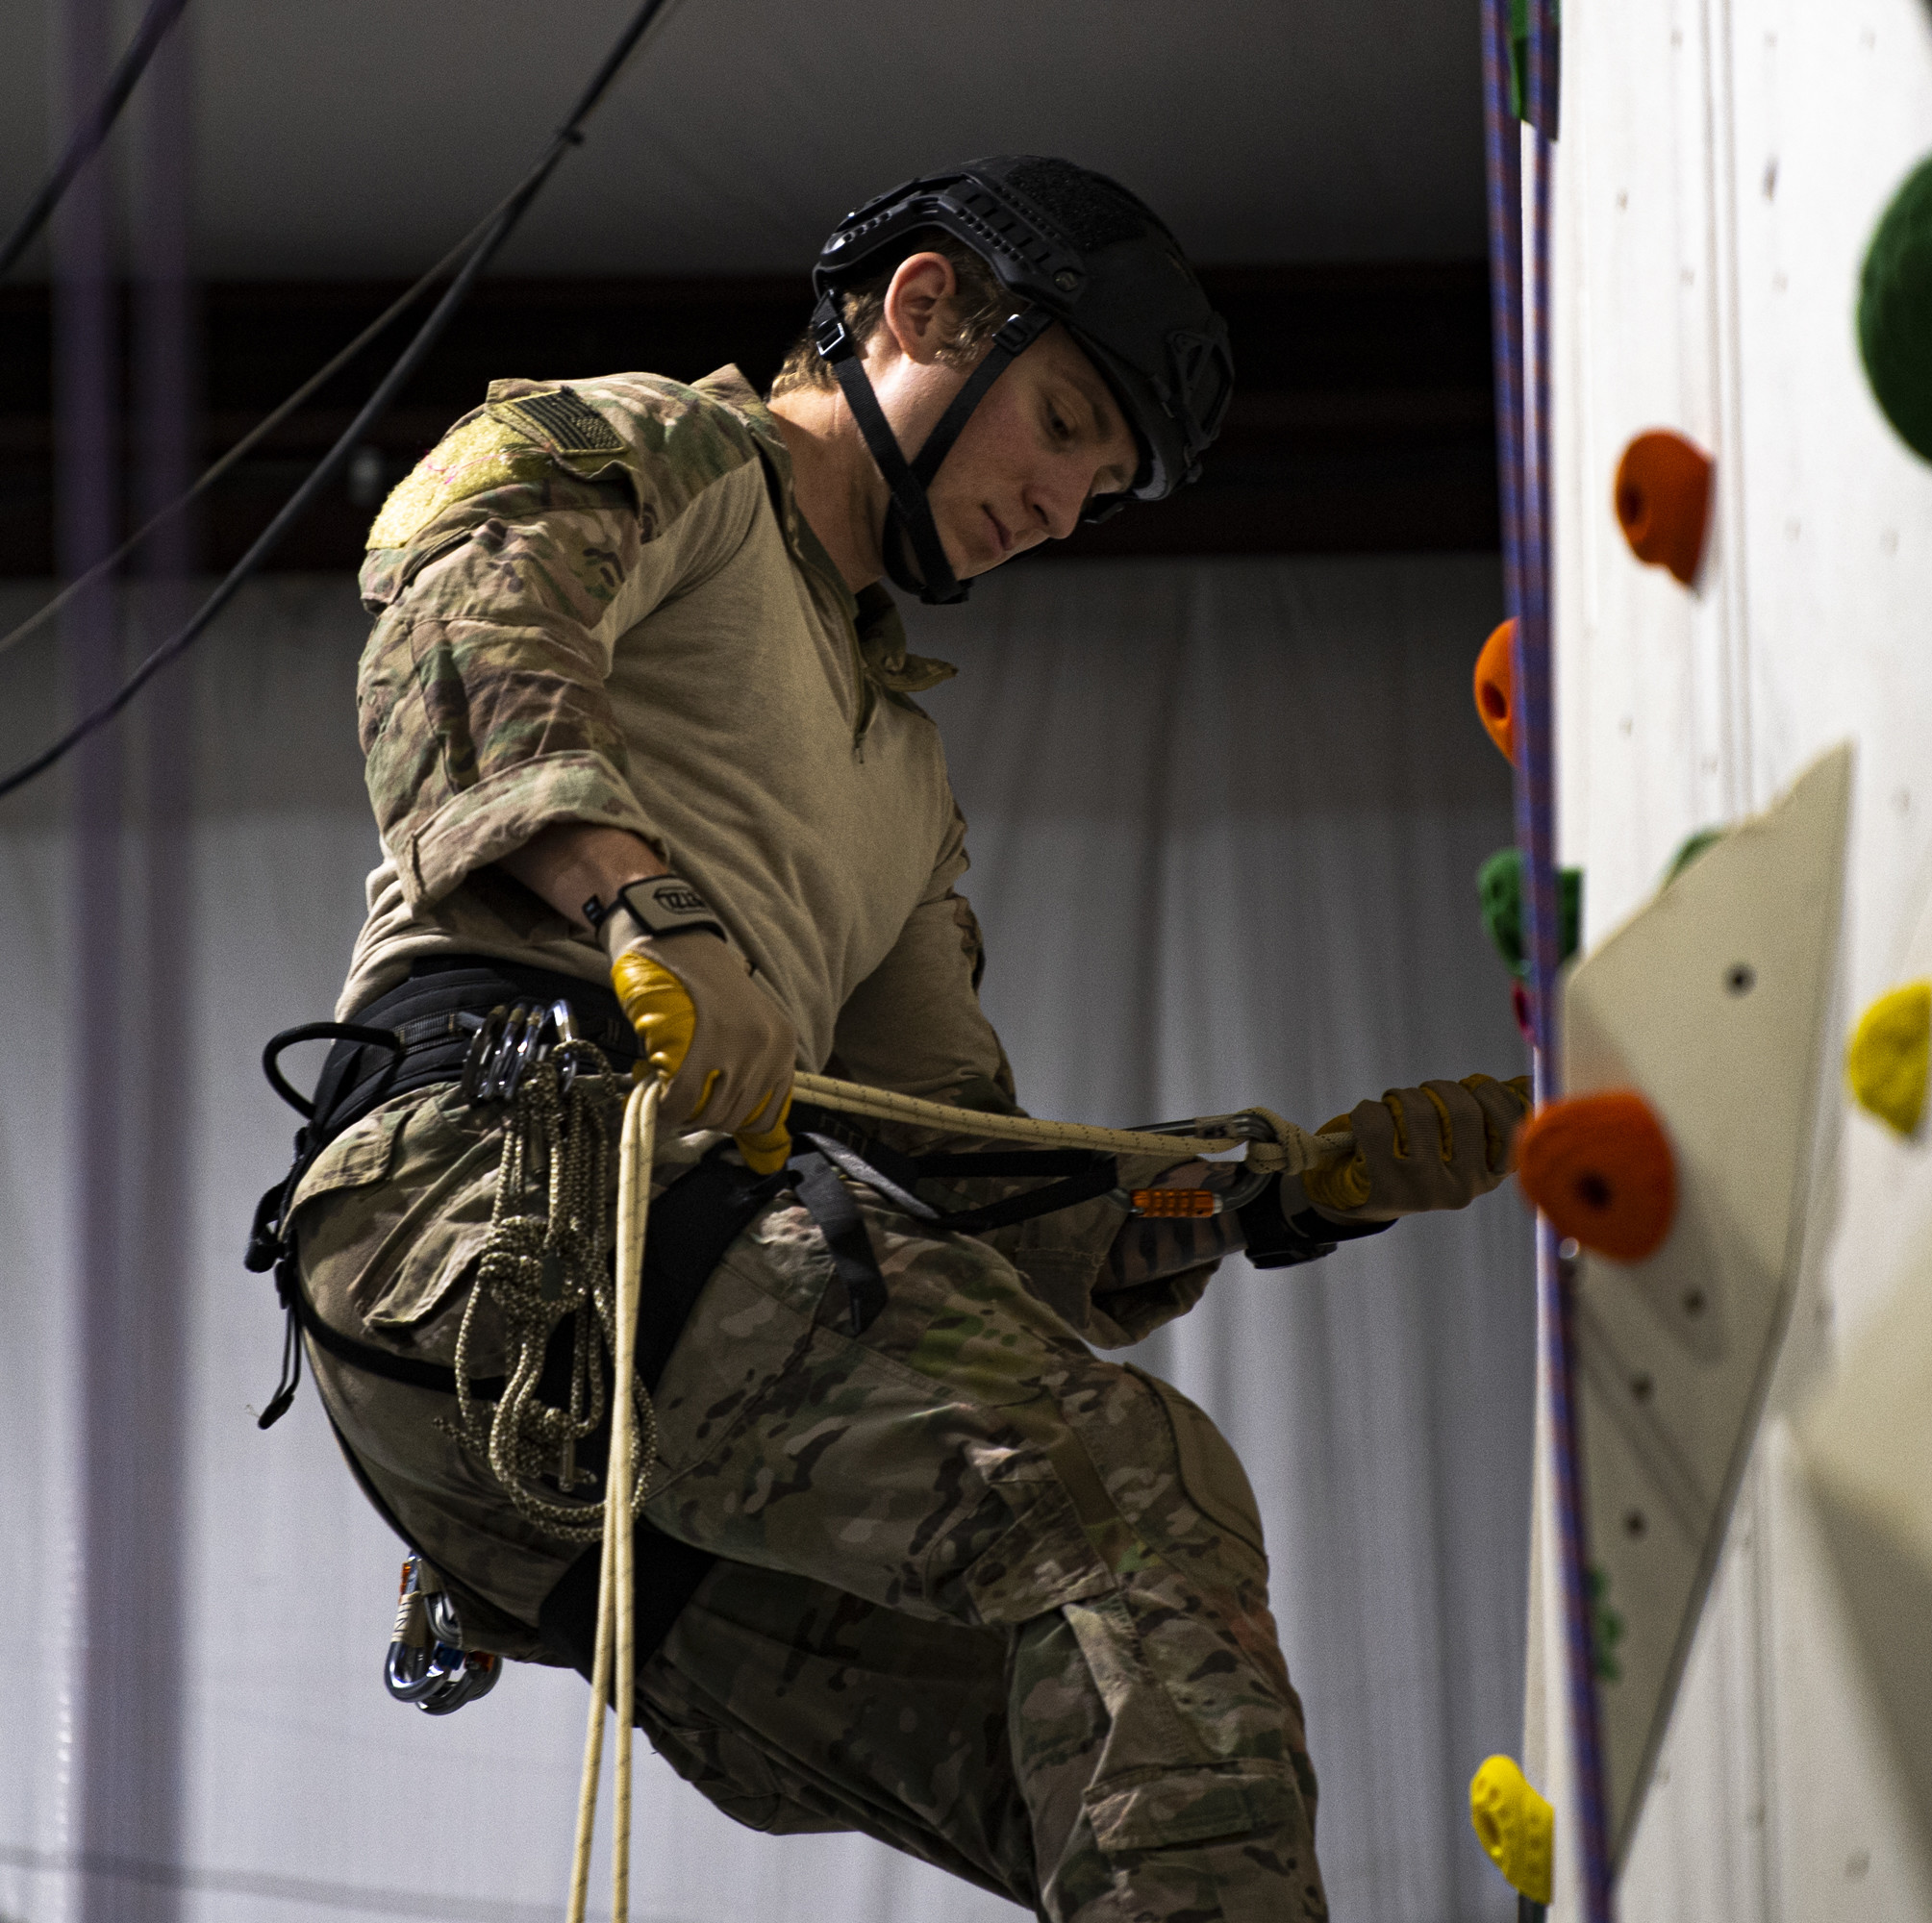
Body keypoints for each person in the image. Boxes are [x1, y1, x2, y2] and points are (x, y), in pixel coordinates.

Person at [260, 156, 1526, 1922]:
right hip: (494, 1212)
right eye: (1066, 424)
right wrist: (644, 905)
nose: (1067, 503)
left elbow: (963, 1182)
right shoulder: (679, 455)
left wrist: (1272, 1191)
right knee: (1137, 1495)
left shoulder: (898, 780)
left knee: (1118, 1736)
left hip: (575, 1431)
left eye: (1105, 487)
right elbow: (461, 613)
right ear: (922, 308)